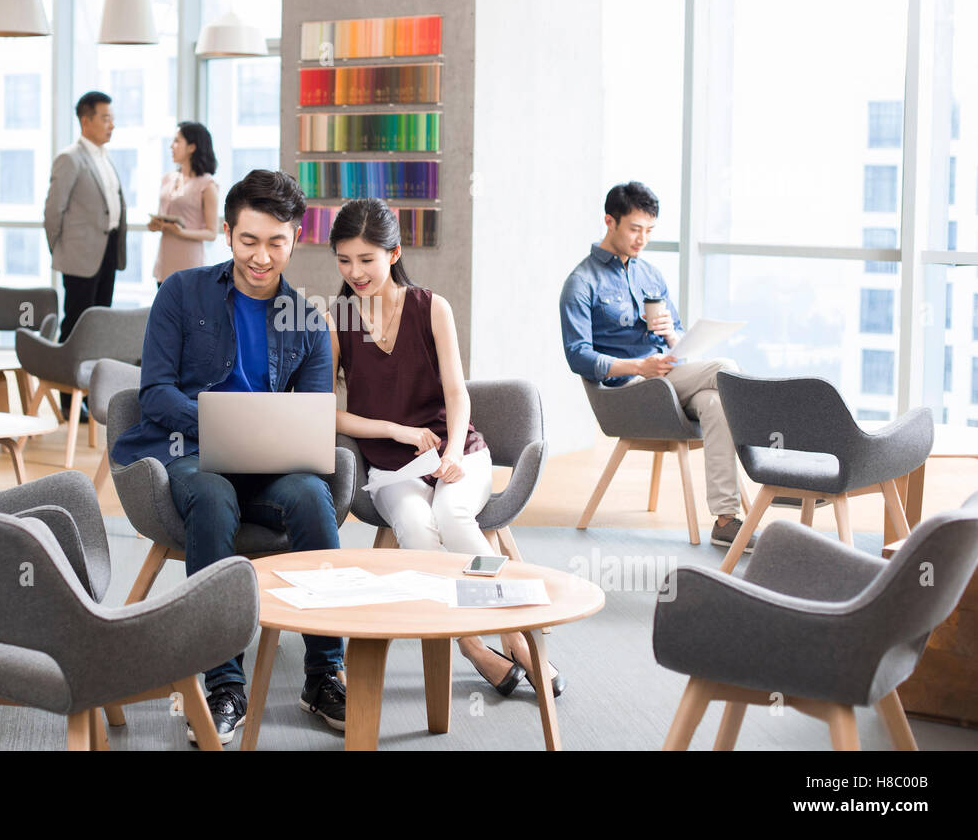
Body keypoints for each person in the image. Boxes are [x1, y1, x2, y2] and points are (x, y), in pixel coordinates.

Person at [111, 169, 346, 745]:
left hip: (269, 468)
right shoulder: (182, 292)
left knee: (313, 496)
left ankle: (323, 674)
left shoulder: (309, 321)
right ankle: (224, 684)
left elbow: (313, 415)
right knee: (213, 495)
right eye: (249, 241)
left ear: (297, 236)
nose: (262, 257)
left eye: (276, 242)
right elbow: (155, 393)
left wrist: (268, 439)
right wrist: (221, 423)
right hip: (189, 454)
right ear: (226, 233)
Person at [328, 198, 565, 699]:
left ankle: (517, 636)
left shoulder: (432, 307)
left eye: (366, 259)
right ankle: (472, 645)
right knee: (416, 526)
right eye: (344, 260)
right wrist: (395, 431)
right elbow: (328, 411)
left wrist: (454, 450)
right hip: (394, 469)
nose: (355, 272)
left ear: (393, 254)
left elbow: (457, 393)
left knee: (455, 518)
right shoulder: (338, 319)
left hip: (458, 452)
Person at [559, 181, 752, 552]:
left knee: (715, 402)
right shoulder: (581, 282)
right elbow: (577, 355)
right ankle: (774, 452)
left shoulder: (651, 275)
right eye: (634, 229)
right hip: (626, 392)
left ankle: (726, 521)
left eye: (649, 231)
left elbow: (677, 339)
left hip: (665, 379)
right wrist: (639, 366)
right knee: (725, 367)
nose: (641, 239)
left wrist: (673, 336)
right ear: (610, 221)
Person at [43, 90, 127, 421]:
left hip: (107, 252)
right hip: (80, 256)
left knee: (99, 325)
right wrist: (61, 249)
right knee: (76, 325)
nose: (111, 125)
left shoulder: (103, 157)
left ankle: (93, 395)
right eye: (105, 118)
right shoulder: (70, 158)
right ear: (86, 120)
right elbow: (53, 211)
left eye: (112, 118)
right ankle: (67, 399)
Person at [148, 122, 220, 285]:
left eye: (177, 141)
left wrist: (180, 232)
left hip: (189, 263)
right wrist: (155, 225)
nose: (171, 146)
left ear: (192, 147)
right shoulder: (167, 179)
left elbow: (211, 233)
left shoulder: (207, 185)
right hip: (165, 262)